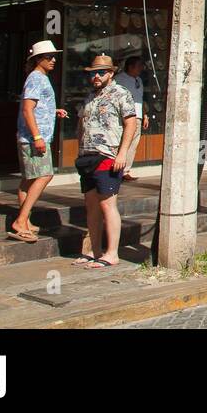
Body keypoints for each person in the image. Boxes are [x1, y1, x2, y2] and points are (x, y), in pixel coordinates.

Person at [72, 55, 138, 269]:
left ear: (111, 73)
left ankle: (112, 253)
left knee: (107, 204)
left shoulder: (121, 94)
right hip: (87, 156)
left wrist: (122, 154)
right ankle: (95, 250)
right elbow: (82, 124)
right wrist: (79, 149)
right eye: (93, 73)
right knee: (91, 205)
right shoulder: (90, 97)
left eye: (101, 72)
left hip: (108, 155)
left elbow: (130, 124)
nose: (96, 76)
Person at [11, 40, 68, 242]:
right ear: (38, 59)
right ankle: (21, 219)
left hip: (32, 136)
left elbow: (37, 106)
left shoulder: (39, 78)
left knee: (28, 179)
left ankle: (25, 221)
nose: (53, 60)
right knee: (45, 175)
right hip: (34, 138)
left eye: (54, 57)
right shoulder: (36, 78)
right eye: (48, 57)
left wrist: (53, 111)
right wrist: (37, 136)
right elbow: (27, 109)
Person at [114, 56, 149, 181]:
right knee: (122, 142)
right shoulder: (119, 79)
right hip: (125, 116)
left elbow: (140, 99)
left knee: (133, 144)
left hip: (137, 116)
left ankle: (125, 170)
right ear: (130, 67)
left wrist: (144, 115)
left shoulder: (138, 80)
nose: (141, 69)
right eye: (138, 66)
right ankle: (116, 169)